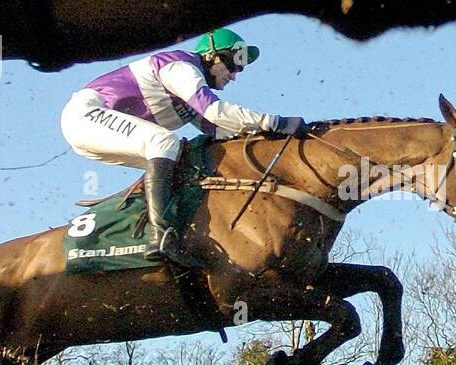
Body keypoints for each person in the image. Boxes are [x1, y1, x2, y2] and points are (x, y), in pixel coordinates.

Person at [60, 28, 307, 268]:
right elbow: (215, 111)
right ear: (212, 56)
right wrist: (274, 122)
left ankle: (149, 232)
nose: (233, 75)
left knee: (183, 159)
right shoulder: (182, 67)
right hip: (86, 116)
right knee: (165, 142)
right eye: (232, 66)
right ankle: (162, 236)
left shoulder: (190, 88)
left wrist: (268, 140)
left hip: (91, 130)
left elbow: (219, 130)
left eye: (238, 70)